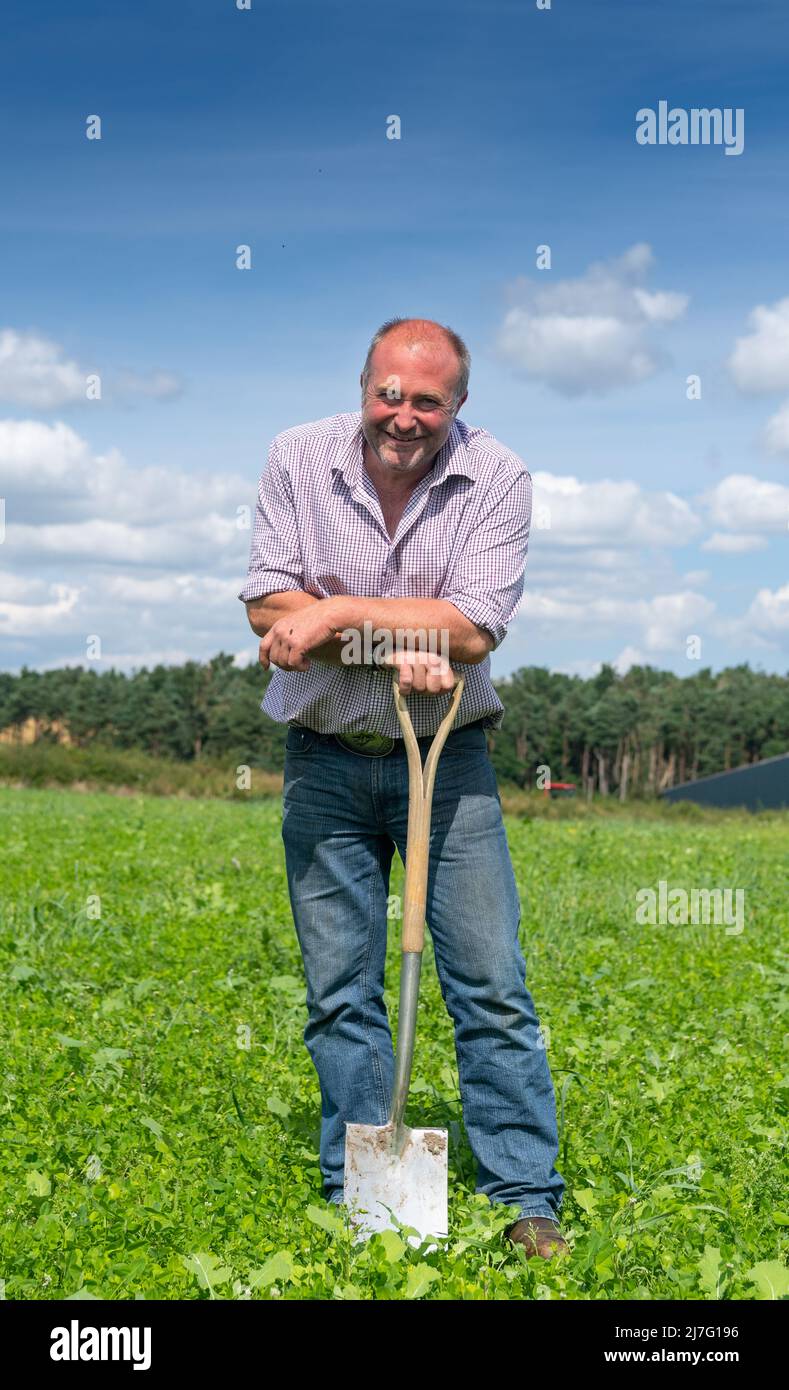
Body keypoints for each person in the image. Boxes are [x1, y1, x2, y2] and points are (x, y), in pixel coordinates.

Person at [238, 317, 568, 1259]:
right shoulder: (295, 458)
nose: (404, 415)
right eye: (389, 392)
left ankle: (524, 1195)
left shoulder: (498, 476)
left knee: (489, 984)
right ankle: (361, 1186)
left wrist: (336, 609)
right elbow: (267, 605)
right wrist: (403, 634)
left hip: (446, 761)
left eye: (428, 400)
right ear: (363, 385)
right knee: (339, 988)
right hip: (324, 758)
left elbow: (470, 631)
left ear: (457, 405)